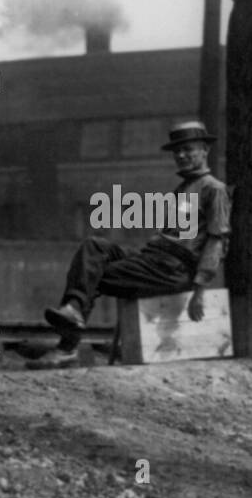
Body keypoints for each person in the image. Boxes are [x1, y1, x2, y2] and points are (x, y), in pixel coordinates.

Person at [33, 120, 232, 368]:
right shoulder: (184, 188)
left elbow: (216, 241)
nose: (181, 156)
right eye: (177, 151)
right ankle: (73, 312)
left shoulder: (214, 190)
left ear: (205, 150)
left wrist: (199, 292)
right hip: (154, 260)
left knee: (91, 277)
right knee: (94, 247)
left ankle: (67, 346)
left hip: (174, 269)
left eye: (188, 149)